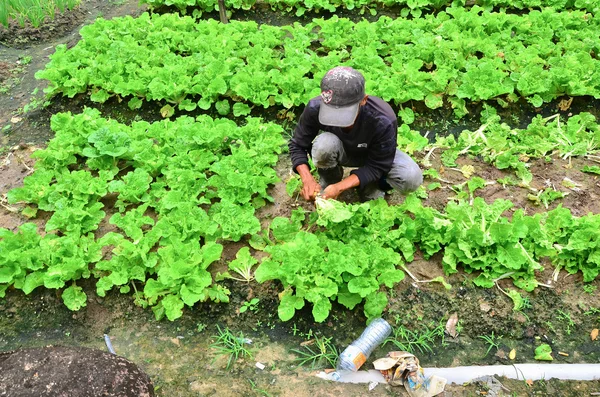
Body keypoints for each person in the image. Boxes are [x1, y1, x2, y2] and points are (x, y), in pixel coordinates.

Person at [288, 66, 423, 201]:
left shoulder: (382, 119)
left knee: (410, 177)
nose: (337, 119)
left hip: (372, 154)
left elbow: (378, 165)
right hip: (342, 150)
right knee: (323, 146)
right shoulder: (315, 108)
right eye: (332, 112)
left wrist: (340, 187)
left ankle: (373, 186)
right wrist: (307, 179)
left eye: (344, 113)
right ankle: (330, 180)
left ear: (363, 100)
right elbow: (297, 145)